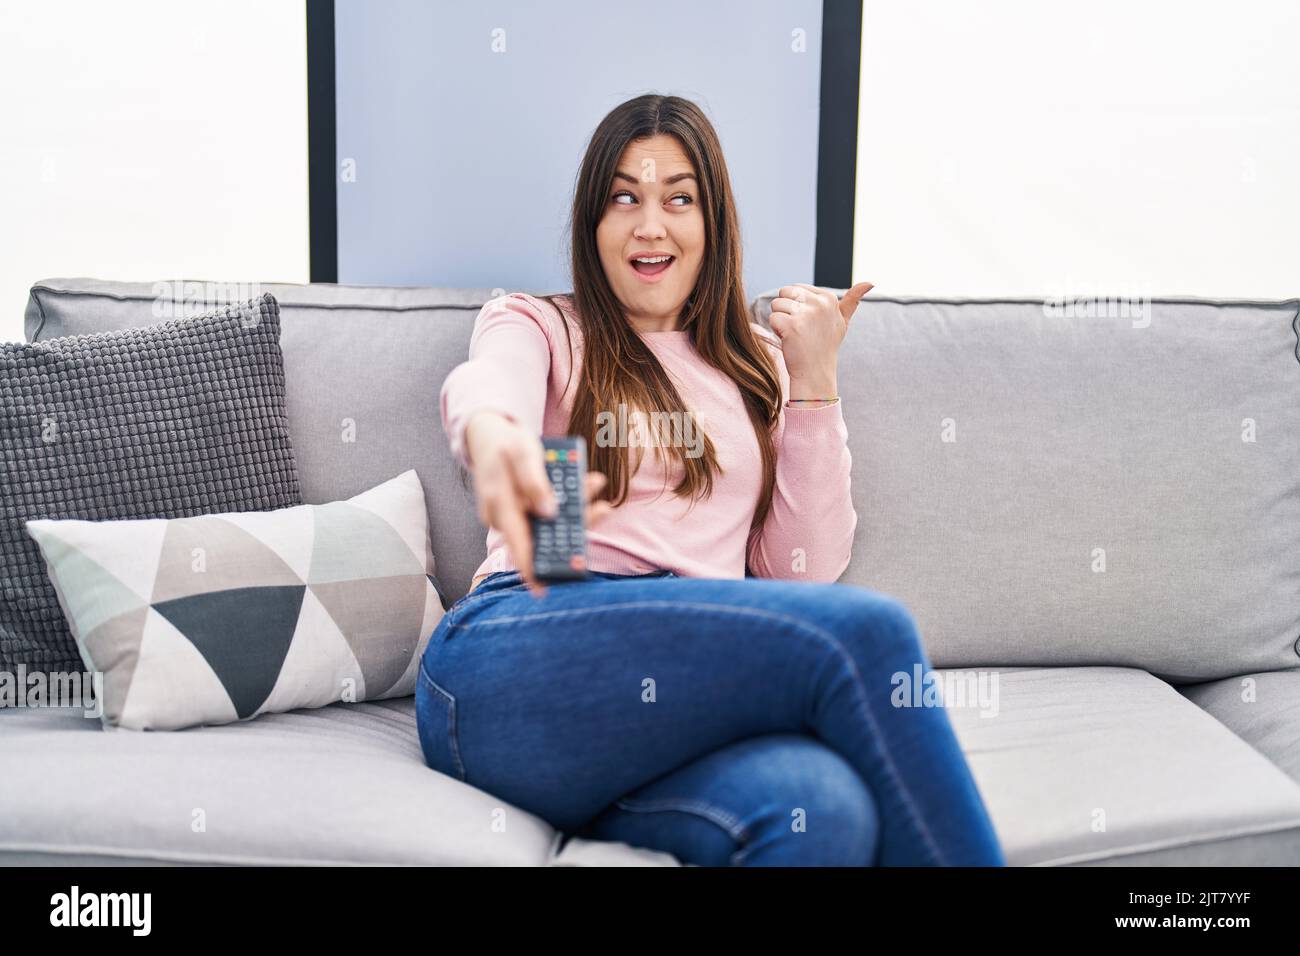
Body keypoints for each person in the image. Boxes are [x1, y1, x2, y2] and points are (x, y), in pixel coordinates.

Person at [417, 93, 1005, 867]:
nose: (650, 225)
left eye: (679, 199)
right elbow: (493, 387)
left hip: (657, 712)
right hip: (520, 654)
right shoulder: (546, 327)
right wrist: (497, 447)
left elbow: (803, 570)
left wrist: (815, 380)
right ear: (594, 223)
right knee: (870, 632)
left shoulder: (754, 363)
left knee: (819, 807)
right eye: (624, 197)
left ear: (713, 223)